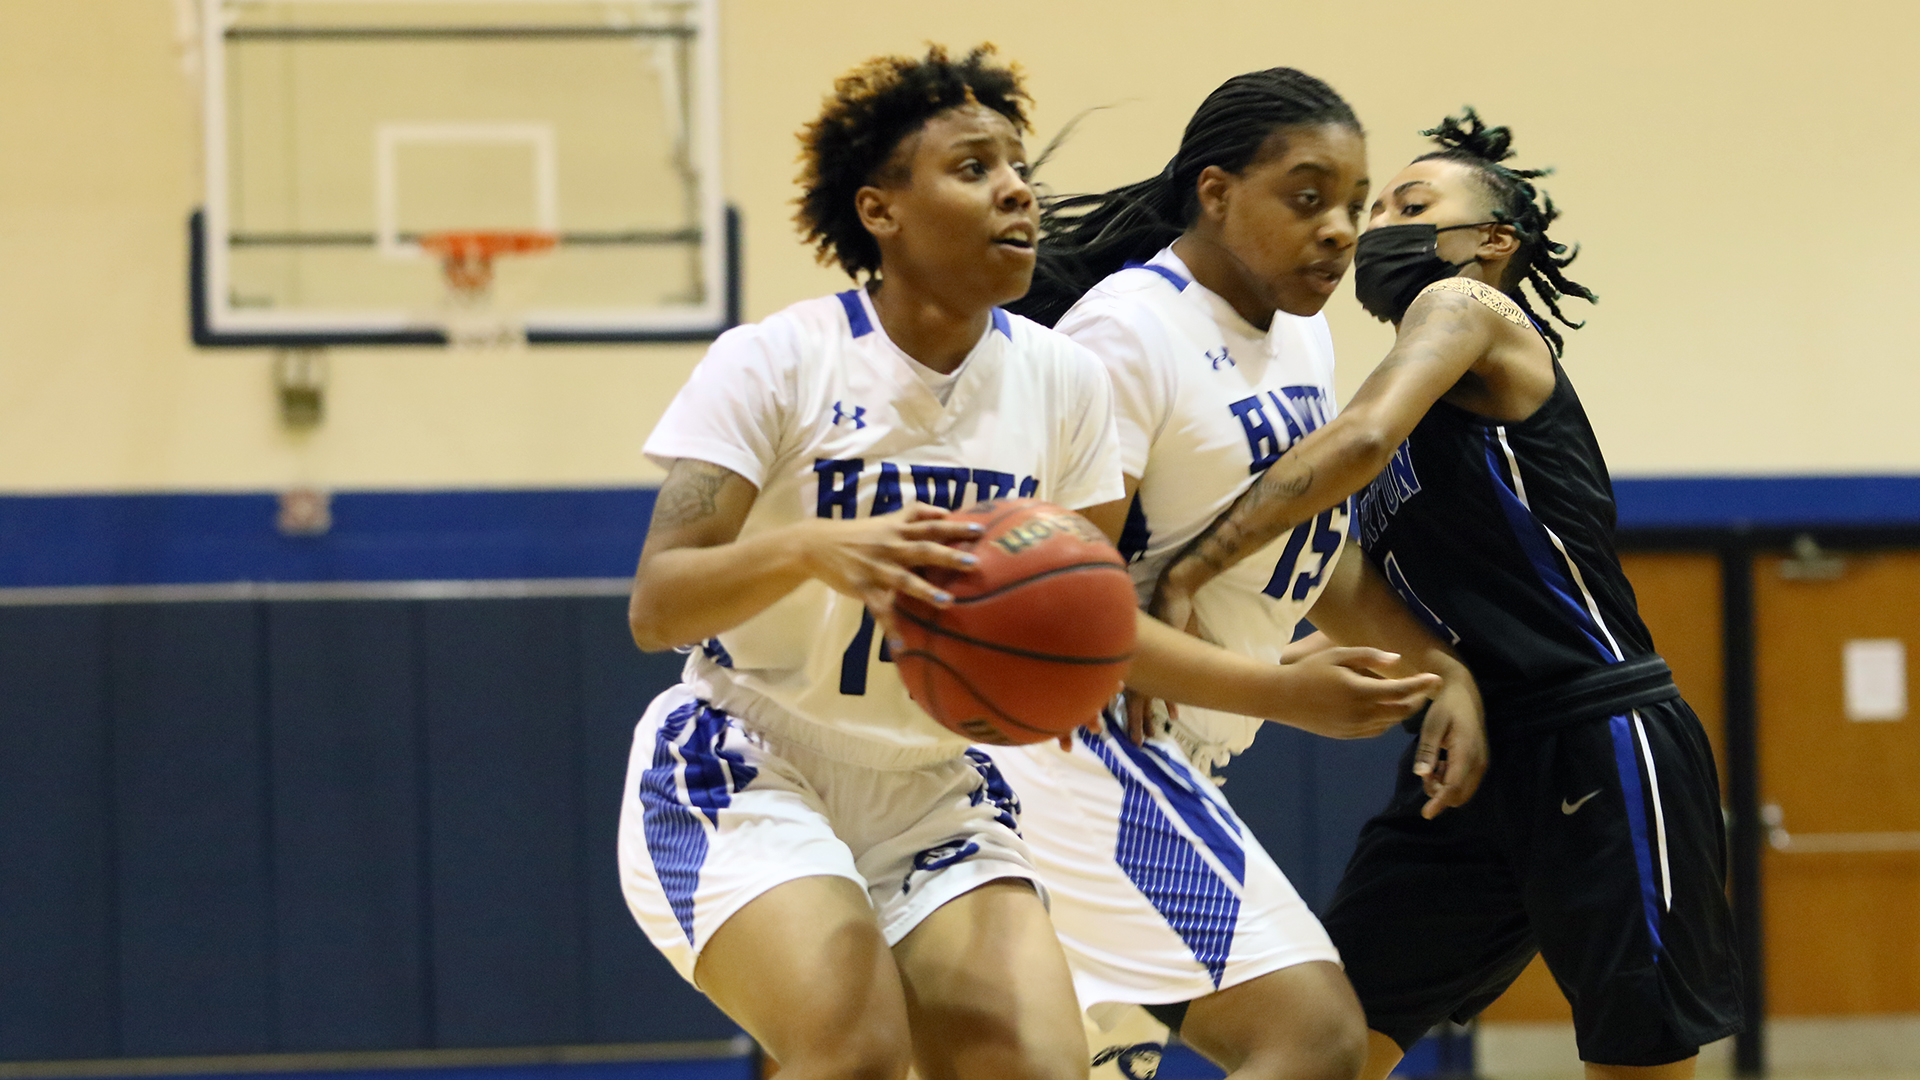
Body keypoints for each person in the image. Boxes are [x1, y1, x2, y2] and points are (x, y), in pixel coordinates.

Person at [615, 47, 1440, 1080]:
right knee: (856, 1051)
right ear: (881, 210)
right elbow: (659, 602)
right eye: (972, 167)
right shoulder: (777, 360)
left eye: (1017, 164)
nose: (1015, 186)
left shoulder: (1062, 383)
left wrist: (1277, 691)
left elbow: (1092, 625)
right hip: (748, 759)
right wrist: (811, 547)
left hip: (935, 784)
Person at [1149, 109, 1744, 1080]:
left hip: (1595, 732)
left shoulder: (1471, 310)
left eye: (1409, 204)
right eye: (1373, 203)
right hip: (1466, 754)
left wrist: (1186, 568)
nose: (1374, 223)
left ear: (1489, 244)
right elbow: (1373, 589)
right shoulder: (1388, 379)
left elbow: (1358, 444)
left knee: (1638, 1061)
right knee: (1330, 1042)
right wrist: (1271, 662)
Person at [981, 69, 1488, 1080]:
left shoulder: (1302, 335)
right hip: (1081, 752)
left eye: (1354, 201)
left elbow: (1310, 553)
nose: (1343, 229)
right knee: (1312, 1035)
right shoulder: (1127, 334)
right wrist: (1280, 692)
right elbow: (1055, 608)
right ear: (1215, 192)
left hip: (1166, 754)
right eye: (1308, 199)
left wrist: (1442, 665)